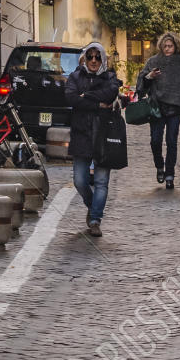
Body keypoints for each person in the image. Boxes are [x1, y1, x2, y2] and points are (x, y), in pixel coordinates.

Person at [65, 42, 121, 234]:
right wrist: (97, 105)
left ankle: (95, 220)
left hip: (103, 135)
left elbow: (111, 93)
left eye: (98, 57)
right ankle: (92, 205)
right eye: (90, 56)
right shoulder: (75, 77)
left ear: (103, 59)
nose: (94, 60)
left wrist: (86, 96)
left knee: (101, 181)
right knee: (80, 180)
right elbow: (71, 98)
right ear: (84, 58)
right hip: (81, 134)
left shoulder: (110, 77)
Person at [136, 31, 180, 190]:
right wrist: (150, 76)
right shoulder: (153, 61)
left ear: (175, 47)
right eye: (165, 46)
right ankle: (159, 166)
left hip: (175, 109)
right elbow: (141, 84)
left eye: (170, 46)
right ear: (161, 46)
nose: (167, 49)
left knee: (172, 142)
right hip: (156, 108)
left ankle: (170, 175)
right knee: (155, 141)